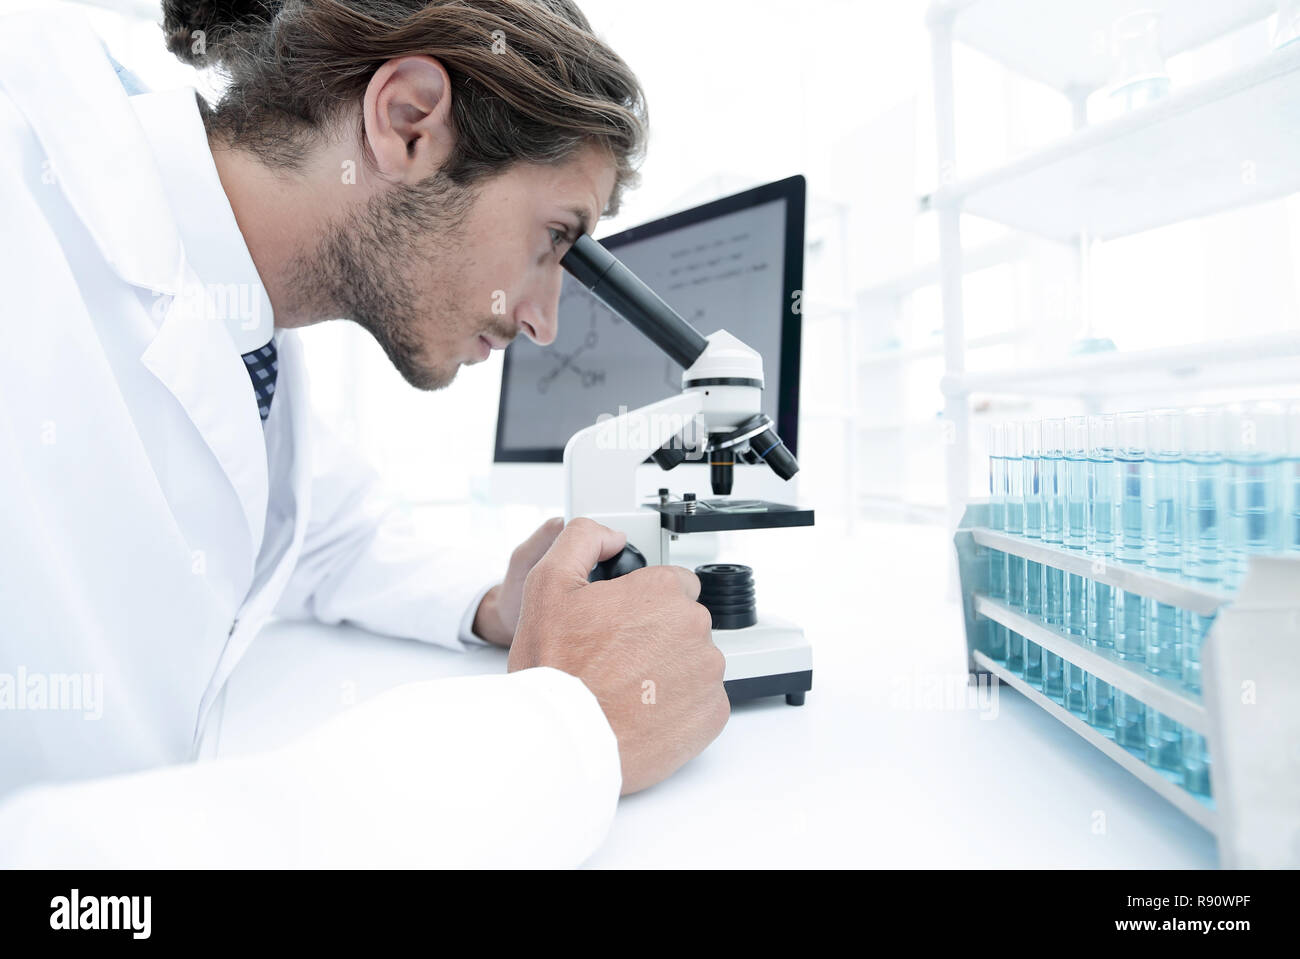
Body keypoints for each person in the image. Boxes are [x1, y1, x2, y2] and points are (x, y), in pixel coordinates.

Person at [0, 0, 728, 867]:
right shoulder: (24, 192)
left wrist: (501, 605)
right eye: (554, 238)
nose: (543, 322)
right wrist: (565, 730)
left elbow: (328, 537)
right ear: (409, 122)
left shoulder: (245, 330)